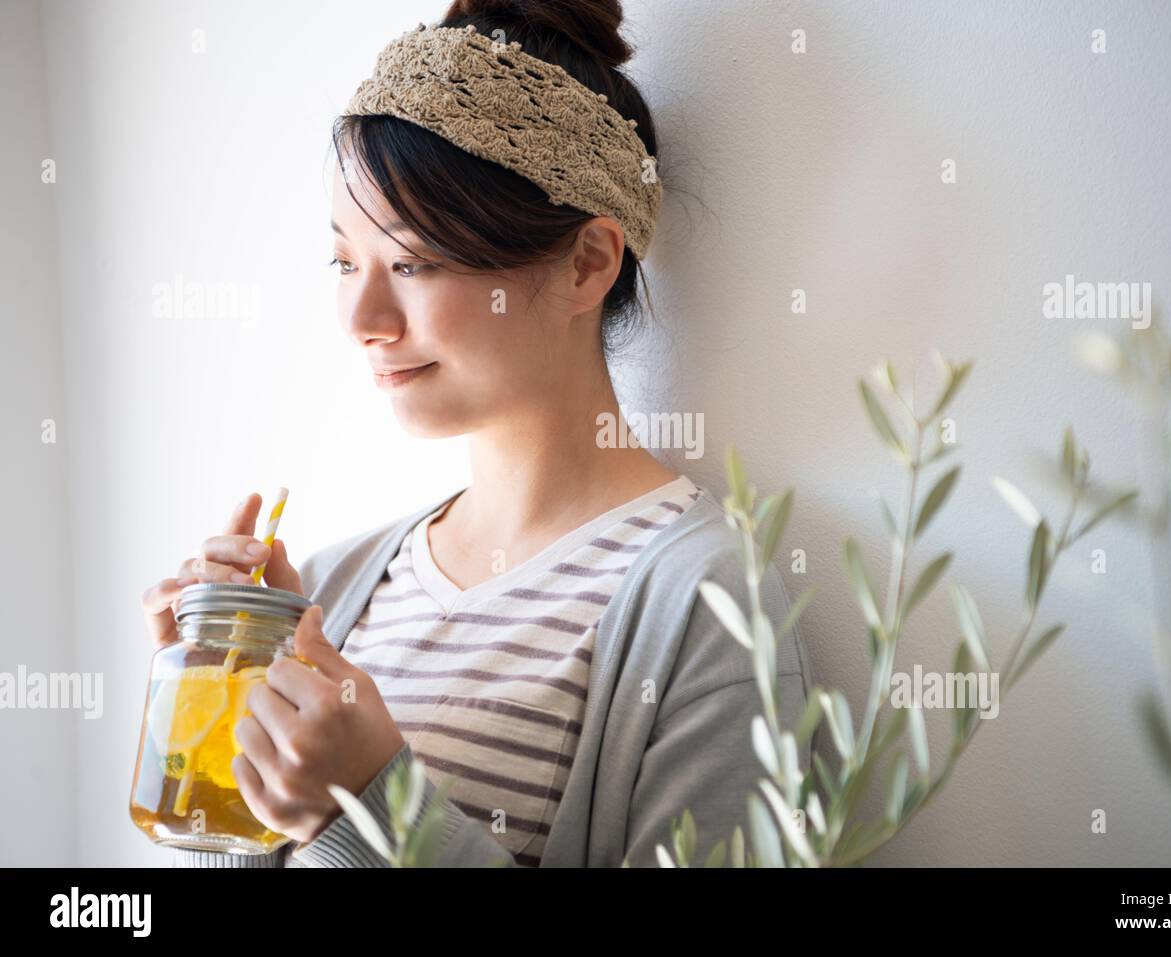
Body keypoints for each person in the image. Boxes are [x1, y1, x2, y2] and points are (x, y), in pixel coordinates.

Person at [140, 0, 810, 868]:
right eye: (345, 261)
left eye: (413, 261)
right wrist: (216, 739)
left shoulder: (710, 605)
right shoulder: (334, 589)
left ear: (587, 264)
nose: (362, 319)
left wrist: (378, 806)